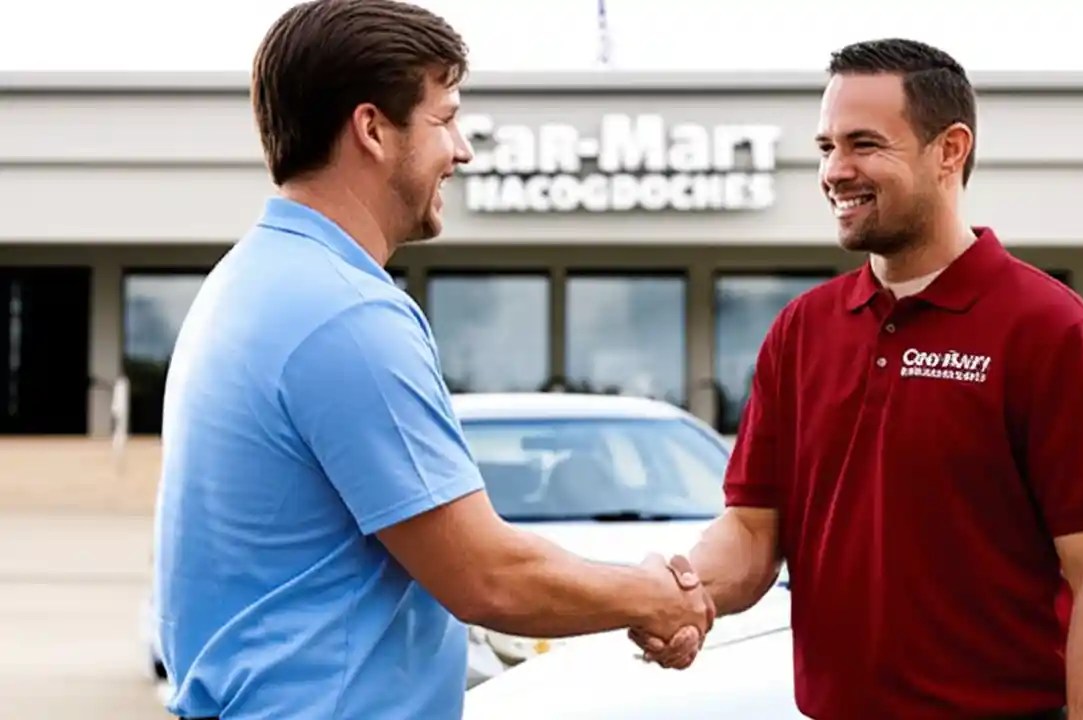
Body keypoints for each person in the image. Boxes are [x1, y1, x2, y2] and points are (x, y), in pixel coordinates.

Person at [152, 2, 711, 719]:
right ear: (373, 129)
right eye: (444, 118)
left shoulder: (247, 282)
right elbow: (487, 576)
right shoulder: (344, 312)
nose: (464, 149)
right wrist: (652, 595)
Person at [632, 38, 1083, 720]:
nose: (835, 171)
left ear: (950, 150)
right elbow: (754, 532)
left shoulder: (1050, 332)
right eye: (826, 147)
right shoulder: (801, 331)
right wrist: (682, 594)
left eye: (864, 144)